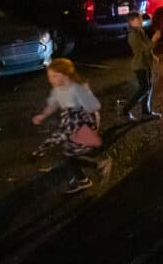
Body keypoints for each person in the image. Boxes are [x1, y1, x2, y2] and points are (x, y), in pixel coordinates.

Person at [31, 58, 110, 195]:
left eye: (54, 76)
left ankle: (99, 165)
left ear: (65, 75)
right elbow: (53, 103)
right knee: (69, 155)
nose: (50, 79)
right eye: (49, 76)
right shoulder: (59, 89)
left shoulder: (77, 90)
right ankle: (84, 178)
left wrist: (83, 114)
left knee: (70, 155)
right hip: (74, 123)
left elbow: (95, 106)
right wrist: (43, 115)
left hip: (83, 125)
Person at [121, 13, 161, 120]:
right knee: (144, 88)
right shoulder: (133, 35)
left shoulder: (140, 31)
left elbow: (147, 47)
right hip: (139, 65)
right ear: (131, 22)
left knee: (148, 87)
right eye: (138, 19)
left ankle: (146, 111)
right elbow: (144, 49)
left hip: (145, 63)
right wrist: (154, 40)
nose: (141, 20)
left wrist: (153, 56)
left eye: (141, 19)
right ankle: (126, 110)